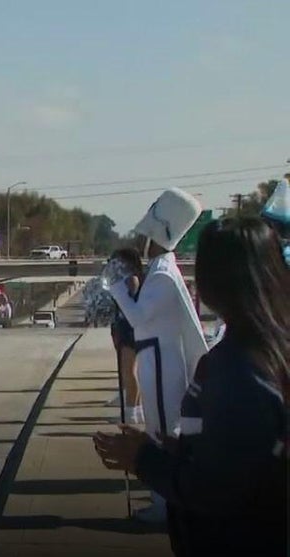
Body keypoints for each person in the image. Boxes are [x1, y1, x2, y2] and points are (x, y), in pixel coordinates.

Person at [94, 216, 289, 557]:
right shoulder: (261, 349)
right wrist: (182, 451)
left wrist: (146, 459)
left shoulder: (238, 370)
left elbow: (218, 488)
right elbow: (241, 455)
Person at [106, 188, 209, 524]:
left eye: (147, 233)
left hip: (163, 363)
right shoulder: (160, 269)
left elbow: (138, 317)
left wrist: (119, 289)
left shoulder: (164, 274)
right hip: (154, 360)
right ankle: (161, 501)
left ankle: (166, 505)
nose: (141, 239)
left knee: (164, 432)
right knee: (156, 429)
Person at [107, 247, 144, 425]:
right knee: (126, 371)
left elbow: (131, 300)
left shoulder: (132, 278)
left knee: (130, 372)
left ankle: (131, 415)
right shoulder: (124, 278)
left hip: (130, 330)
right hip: (124, 327)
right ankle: (133, 409)